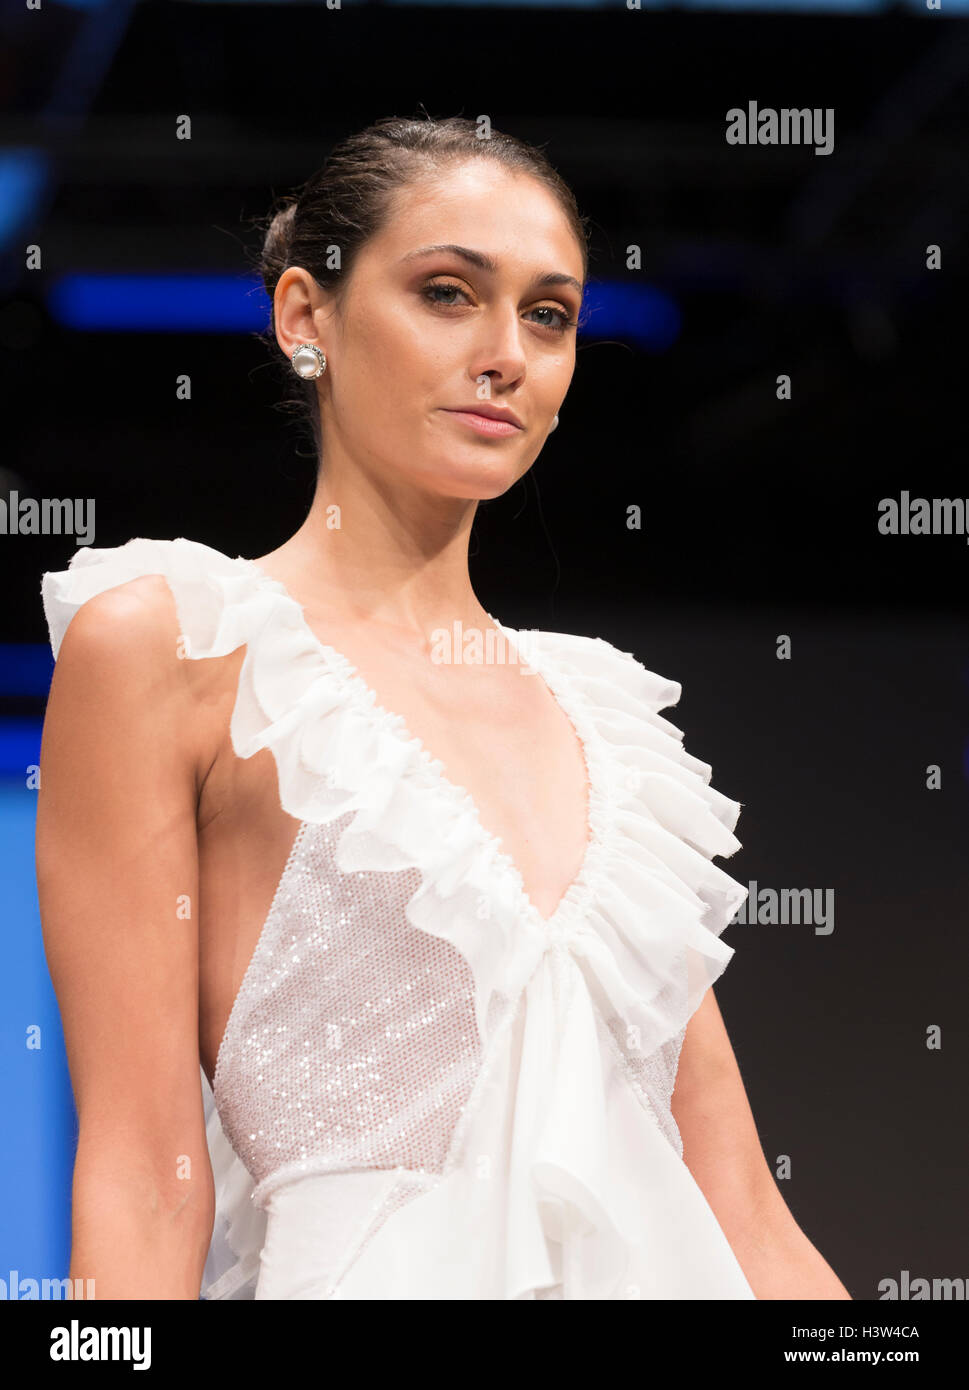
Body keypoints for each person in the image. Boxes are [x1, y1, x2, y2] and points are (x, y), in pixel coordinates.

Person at [36, 114, 850, 1300]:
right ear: (306, 316)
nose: (507, 352)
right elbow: (141, 1171)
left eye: (549, 314)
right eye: (448, 292)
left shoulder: (605, 724)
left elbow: (740, 1208)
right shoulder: (181, 645)